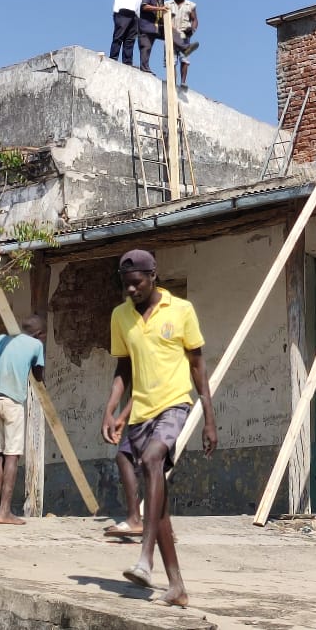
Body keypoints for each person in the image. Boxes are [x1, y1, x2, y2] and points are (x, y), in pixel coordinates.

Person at [101, 249, 218, 607]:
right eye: (126, 285)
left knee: (153, 461)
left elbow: (197, 365)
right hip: (140, 415)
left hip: (174, 405)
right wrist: (111, 410)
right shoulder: (120, 316)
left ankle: (144, 558)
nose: (131, 291)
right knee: (159, 505)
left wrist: (209, 418)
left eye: (136, 284)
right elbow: (124, 369)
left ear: (153, 277)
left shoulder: (181, 310)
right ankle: (177, 586)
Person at [0, 314, 47, 525]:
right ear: (39, 333)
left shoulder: (1, 339)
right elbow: (38, 376)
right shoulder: (36, 345)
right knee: (12, 456)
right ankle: (5, 512)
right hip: (12, 403)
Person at [102, 398, 143, 538]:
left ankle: (163, 527)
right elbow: (139, 391)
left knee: (154, 462)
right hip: (143, 416)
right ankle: (135, 519)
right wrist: (121, 417)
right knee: (124, 456)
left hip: (164, 412)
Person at [167, 0, 199, 89]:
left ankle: (183, 82)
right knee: (171, 60)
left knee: (184, 59)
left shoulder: (190, 5)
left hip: (184, 34)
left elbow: (195, 20)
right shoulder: (168, 4)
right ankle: (173, 82)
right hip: (171, 33)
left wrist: (192, 29)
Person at [137, 0, 167, 75]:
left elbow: (161, 12)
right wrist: (160, 8)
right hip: (146, 26)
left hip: (157, 27)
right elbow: (144, 6)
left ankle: (168, 59)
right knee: (146, 47)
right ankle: (145, 69)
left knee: (172, 36)